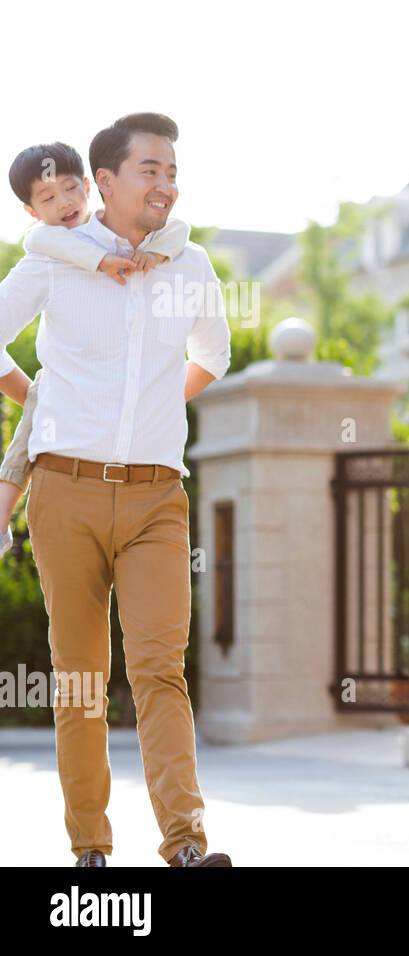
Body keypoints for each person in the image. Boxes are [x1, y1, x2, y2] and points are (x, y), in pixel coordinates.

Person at [0, 115, 232, 867]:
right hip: (64, 493)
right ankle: (91, 847)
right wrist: (40, 398)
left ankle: (186, 843)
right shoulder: (54, 258)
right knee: (78, 678)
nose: (165, 183)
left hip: (157, 498)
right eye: (150, 170)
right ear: (105, 182)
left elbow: (215, 354)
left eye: (171, 170)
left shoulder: (189, 262)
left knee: (162, 670)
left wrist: (157, 410)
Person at [0, 141, 188, 558]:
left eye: (71, 188)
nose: (64, 202)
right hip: (67, 448)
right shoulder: (46, 247)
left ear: (89, 185)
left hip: (147, 478)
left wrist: (155, 253)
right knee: (24, 443)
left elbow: (180, 230)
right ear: (32, 212)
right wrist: (30, 391)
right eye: (48, 197)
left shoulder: (132, 235)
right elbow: (62, 246)